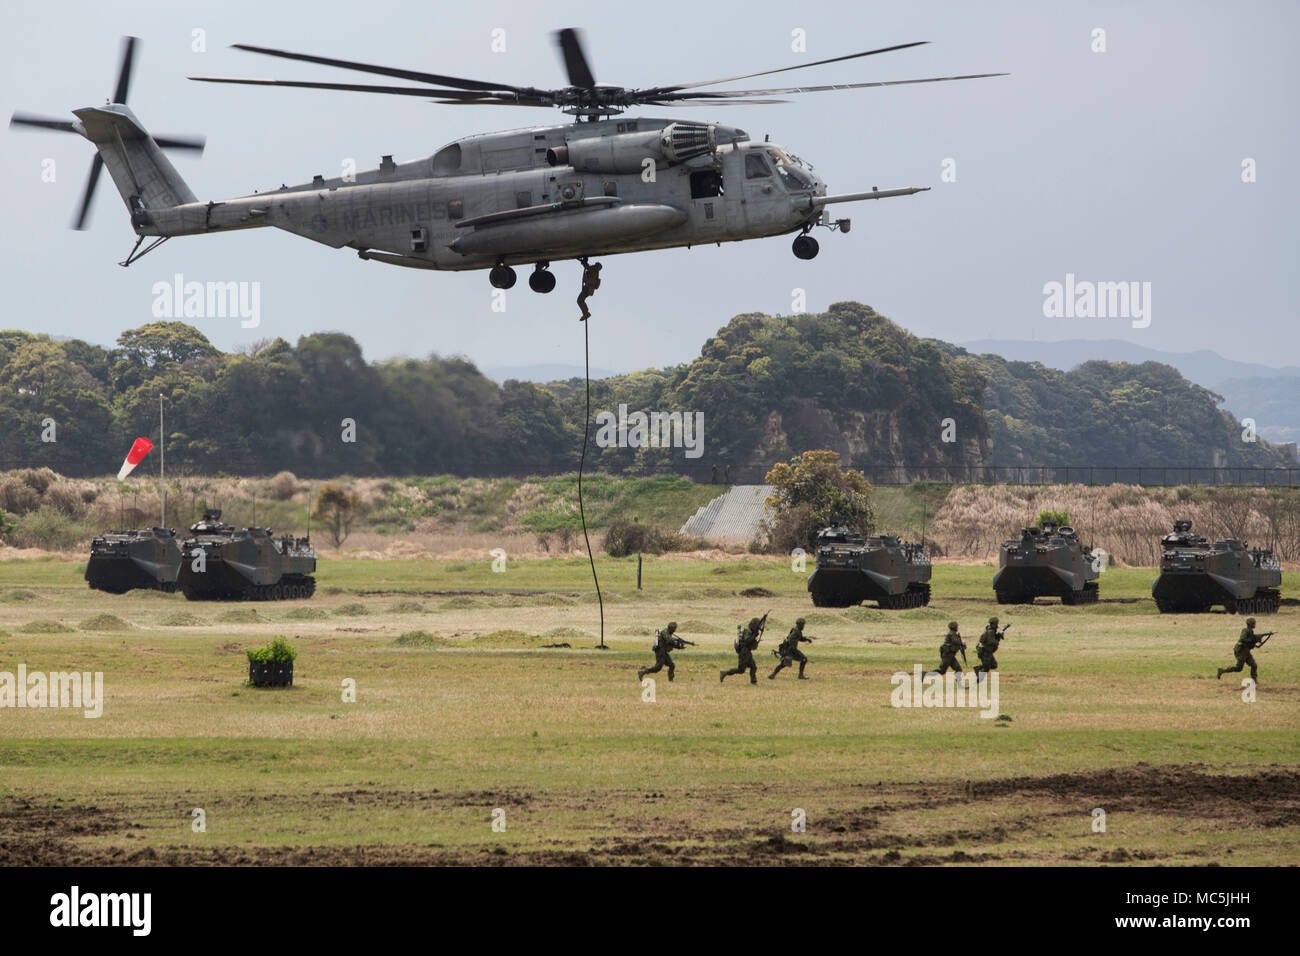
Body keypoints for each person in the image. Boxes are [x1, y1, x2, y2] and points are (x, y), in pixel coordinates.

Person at [1217, 617, 1270, 683]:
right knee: (1238, 668)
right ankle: (1222, 670)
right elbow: (1242, 639)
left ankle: (1254, 679)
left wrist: (1257, 638)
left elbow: (1252, 638)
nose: (1255, 624)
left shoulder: (1250, 631)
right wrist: (1252, 640)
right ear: (1251, 624)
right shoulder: (1245, 630)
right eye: (1254, 623)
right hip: (1241, 652)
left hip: (1246, 652)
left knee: (1254, 665)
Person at [721, 616, 763, 684]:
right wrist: (754, 635)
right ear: (752, 624)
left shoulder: (751, 631)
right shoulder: (747, 631)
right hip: (744, 652)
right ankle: (724, 672)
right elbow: (747, 641)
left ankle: (753, 681)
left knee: (753, 667)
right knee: (741, 670)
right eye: (756, 626)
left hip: (747, 651)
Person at [974, 616, 1003, 682]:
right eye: (996, 624)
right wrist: (998, 640)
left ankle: (978, 668)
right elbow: (991, 641)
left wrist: (998, 636)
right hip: (985, 652)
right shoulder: (990, 631)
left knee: (994, 665)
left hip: (987, 652)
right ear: (993, 624)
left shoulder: (991, 630)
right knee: (986, 667)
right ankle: (978, 680)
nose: (997, 625)